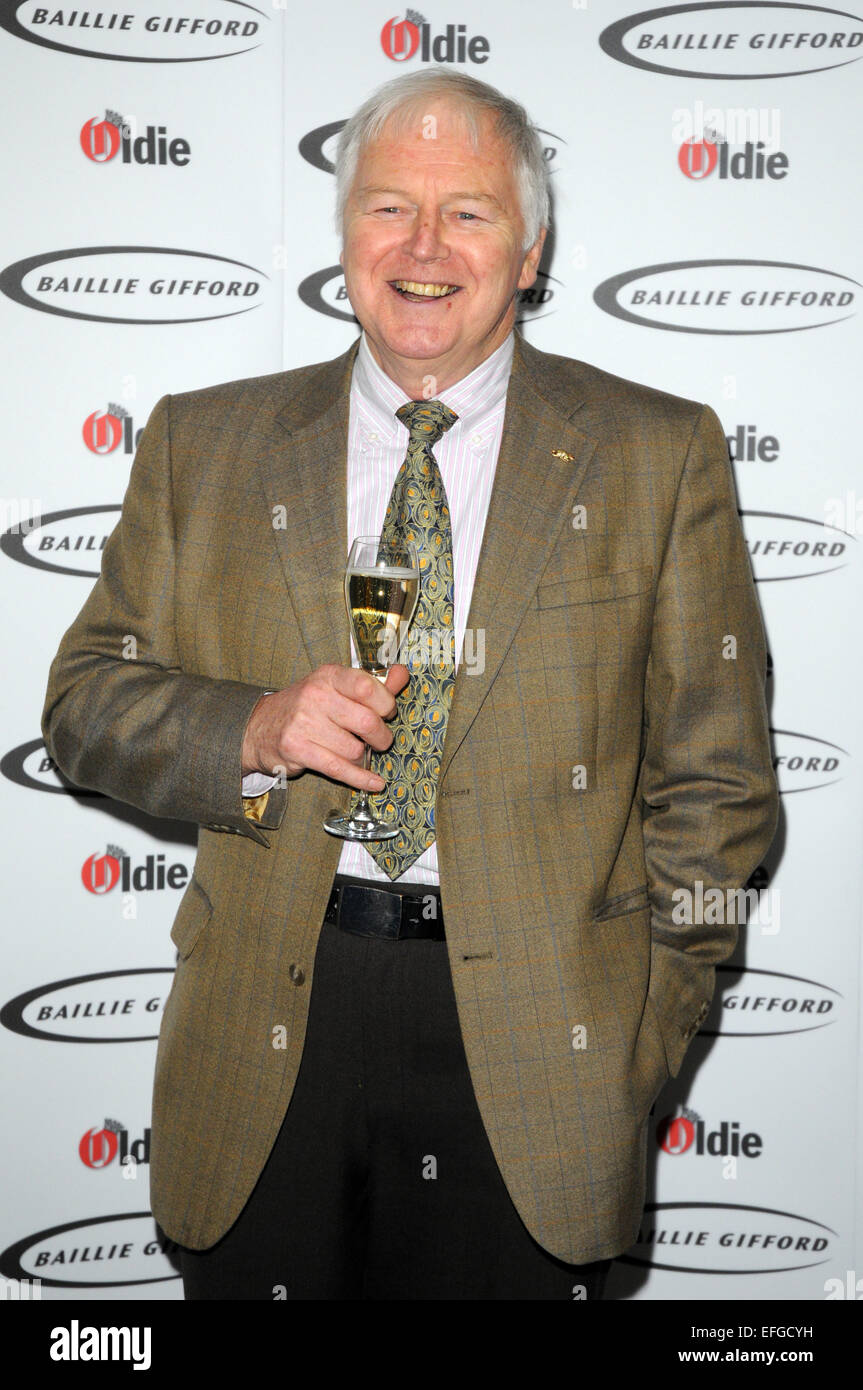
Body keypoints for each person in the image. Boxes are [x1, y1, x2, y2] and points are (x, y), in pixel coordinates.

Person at [41, 67, 779, 1301]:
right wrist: (257, 727)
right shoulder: (201, 442)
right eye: (388, 208)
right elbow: (81, 709)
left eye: (469, 213)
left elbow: (720, 786)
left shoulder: (658, 452)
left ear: (530, 251)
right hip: (271, 1033)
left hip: (546, 1049)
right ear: (343, 238)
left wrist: (642, 1035)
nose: (423, 246)